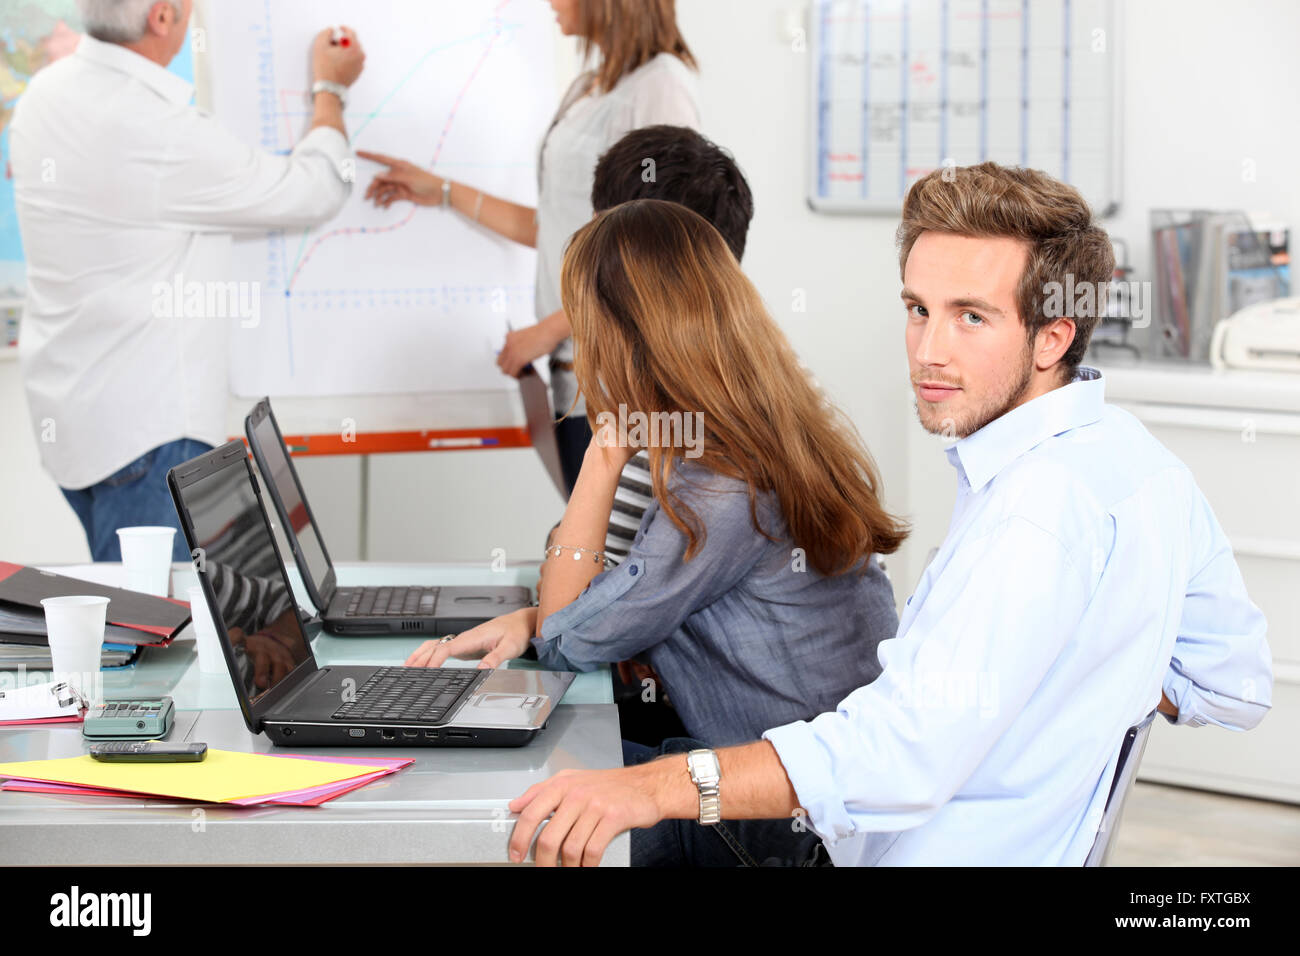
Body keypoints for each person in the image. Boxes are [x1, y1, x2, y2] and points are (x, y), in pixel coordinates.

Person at [501, 162, 1274, 868]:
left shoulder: (1034, 518)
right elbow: (1231, 680)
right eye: (917, 309)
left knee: (540, 808)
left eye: (971, 317)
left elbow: (899, 757)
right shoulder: (1136, 460)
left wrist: (662, 788)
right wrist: (1078, 666)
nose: (928, 350)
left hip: (874, 852)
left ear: (1053, 336)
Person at [411, 199, 907, 866]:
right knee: (533, 766)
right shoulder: (766, 432)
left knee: (503, 813)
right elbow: (597, 611)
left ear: (627, 339)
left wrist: (605, 450)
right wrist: (536, 617)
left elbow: (567, 640)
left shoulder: (719, 492)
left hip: (784, 829)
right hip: (802, 796)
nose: (581, 356)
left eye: (586, 335)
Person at [10, 0, 365, 562]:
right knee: (156, 630)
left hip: (74, 420)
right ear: (160, 17)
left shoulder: (43, 97)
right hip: (147, 435)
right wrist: (332, 88)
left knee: (129, 612)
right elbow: (317, 188)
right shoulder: (158, 130)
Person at [358, 0, 702, 494]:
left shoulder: (660, 82)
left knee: (602, 559)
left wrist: (549, 329)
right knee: (586, 556)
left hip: (619, 385)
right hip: (572, 380)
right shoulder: (590, 86)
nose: (551, 4)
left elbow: (657, 242)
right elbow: (556, 227)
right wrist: (444, 190)